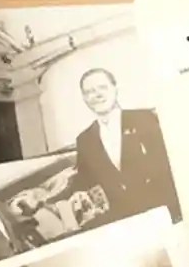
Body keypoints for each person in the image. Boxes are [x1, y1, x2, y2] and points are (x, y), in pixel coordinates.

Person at [73, 68, 182, 224]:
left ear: (115, 88)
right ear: (84, 98)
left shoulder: (145, 119)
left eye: (102, 88)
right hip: (123, 224)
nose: (97, 95)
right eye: (89, 91)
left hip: (164, 213)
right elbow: (85, 181)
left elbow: (171, 165)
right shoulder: (84, 140)